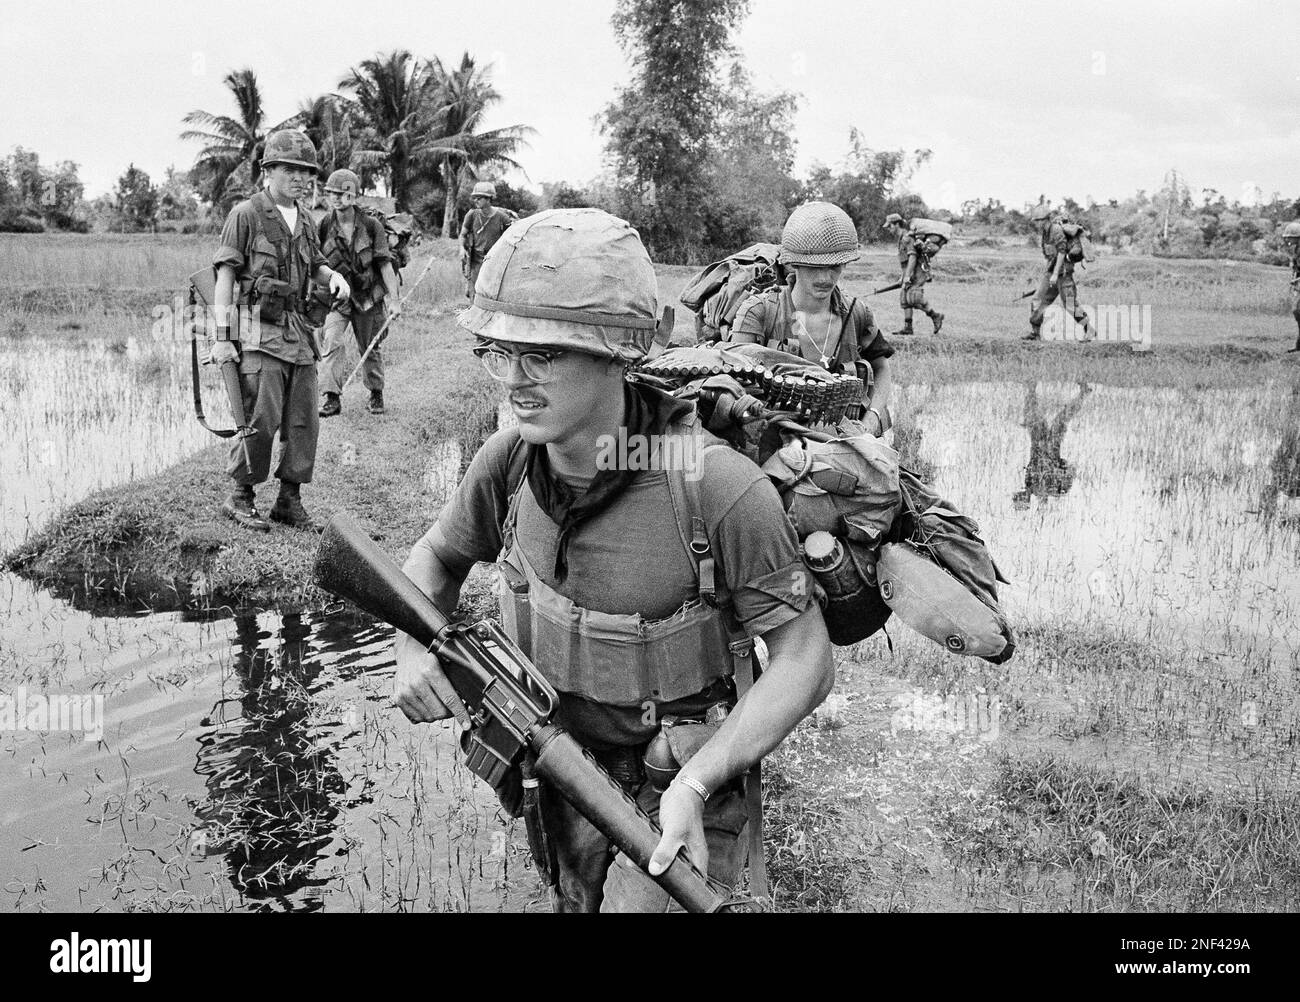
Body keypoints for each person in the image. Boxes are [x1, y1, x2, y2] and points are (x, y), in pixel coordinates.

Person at [393, 208, 834, 912]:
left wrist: (697, 781)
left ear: (619, 351)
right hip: (559, 766)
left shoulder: (712, 486)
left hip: (679, 775)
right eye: (496, 352)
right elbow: (437, 557)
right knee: (573, 901)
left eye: (543, 355)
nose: (513, 380)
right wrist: (411, 645)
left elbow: (806, 655)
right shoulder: (508, 464)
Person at [209, 130, 350, 532]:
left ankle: (290, 500)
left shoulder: (306, 218)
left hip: (299, 334)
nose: (302, 179)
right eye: (291, 169)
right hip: (257, 334)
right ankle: (241, 496)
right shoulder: (246, 214)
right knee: (260, 417)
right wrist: (222, 338)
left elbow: (317, 263)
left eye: (308, 172)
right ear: (268, 170)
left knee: (305, 420)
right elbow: (225, 277)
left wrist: (333, 275)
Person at [728, 201, 895, 437]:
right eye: (815, 266)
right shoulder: (759, 313)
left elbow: (882, 368)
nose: (826, 277)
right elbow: (732, 385)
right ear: (794, 263)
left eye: (835, 266)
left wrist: (874, 418)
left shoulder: (859, 314)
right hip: (775, 445)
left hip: (845, 443)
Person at [316, 169, 401, 417]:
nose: (336, 199)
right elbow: (316, 265)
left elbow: (385, 264)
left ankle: (376, 393)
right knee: (332, 342)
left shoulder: (371, 226)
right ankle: (331, 397)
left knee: (369, 347)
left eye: (341, 194)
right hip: (338, 298)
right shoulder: (323, 225)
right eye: (331, 194)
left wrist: (394, 301)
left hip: (367, 298)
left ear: (352, 196)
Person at [1012, 380, 1091, 509]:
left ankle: (1032, 388)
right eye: (1020, 497)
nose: (1019, 494)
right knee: (1061, 418)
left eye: (1018, 496)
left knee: (1034, 416)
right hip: (1050, 445)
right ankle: (1083, 393)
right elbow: (1064, 471)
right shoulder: (1041, 488)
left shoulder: (1030, 484)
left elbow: (1034, 461)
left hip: (1039, 442)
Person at [1024, 203, 1092, 341]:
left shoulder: (1055, 230)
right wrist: (1048, 275)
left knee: (1070, 304)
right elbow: (1050, 256)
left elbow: (1062, 252)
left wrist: (1055, 274)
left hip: (1064, 274)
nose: (1036, 223)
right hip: (1052, 272)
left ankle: (1088, 330)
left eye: (1038, 220)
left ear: (1045, 219)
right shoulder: (1045, 233)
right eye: (1036, 221)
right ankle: (1035, 333)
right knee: (1038, 299)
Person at [883, 212, 943, 336]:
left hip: (917, 271)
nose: (889, 229)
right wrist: (903, 276)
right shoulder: (901, 238)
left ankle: (936, 316)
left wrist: (908, 276)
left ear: (897, 224)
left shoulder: (907, 238)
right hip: (909, 270)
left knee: (914, 297)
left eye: (890, 226)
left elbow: (912, 257)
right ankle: (908, 328)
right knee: (904, 298)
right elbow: (905, 261)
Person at [459, 181, 513, 299]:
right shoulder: (472, 215)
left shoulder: (502, 218)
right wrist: (462, 249)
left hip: (495, 261)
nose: (475, 201)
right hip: (476, 261)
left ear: (489, 199)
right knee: (473, 293)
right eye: (474, 198)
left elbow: (512, 238)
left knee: (493, 294)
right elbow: (463, 235)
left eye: (479, 198)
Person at [1281, 220, 1300, 353]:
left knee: (1298, 311)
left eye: (1290, 237)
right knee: (1297, 312)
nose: (1287, 239)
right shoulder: (1296, 249)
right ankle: (1299, 346)